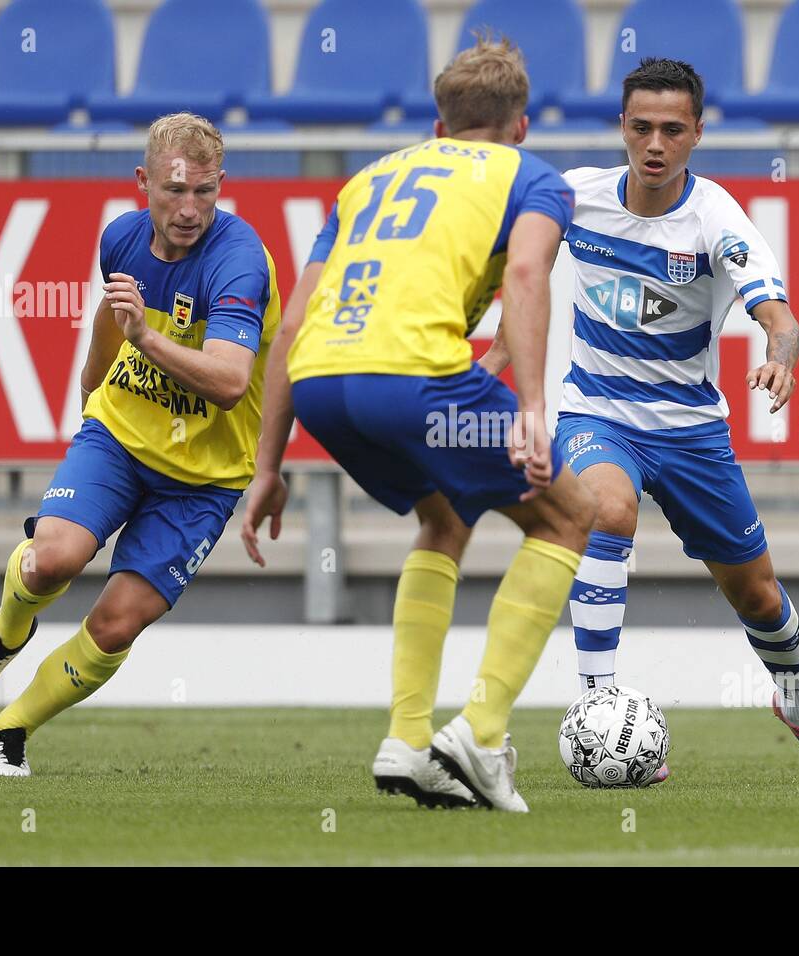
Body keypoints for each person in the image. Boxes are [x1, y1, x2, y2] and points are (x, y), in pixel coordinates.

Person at [481, 58, 799, 785]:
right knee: (604, 508)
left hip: (690, 431)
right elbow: (521, 274)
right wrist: (498, 351)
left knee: (756, 592)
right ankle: (600, 706)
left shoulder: (717, 219)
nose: (654, 144)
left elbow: (779, 318)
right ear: (622, 129)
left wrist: (780, 355)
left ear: (697, 134)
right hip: (597, 412)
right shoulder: (575, 199)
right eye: (640, 127)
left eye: (671, 130)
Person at [240, 37, 596, 812]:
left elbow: (293, 324)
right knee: (572, 517)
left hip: (326, 389)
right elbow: (530, 274)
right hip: (412, 381)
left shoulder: (367, 181)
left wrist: (267, 467)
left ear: (439, 128)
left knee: (443, 520)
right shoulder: (531, 178)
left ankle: (407, 741)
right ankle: (481, 732)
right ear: (522, 126)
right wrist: (534, 413)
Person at [0, 113, 279, 776]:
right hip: (121, 437)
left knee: (117, 624)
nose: (189, 210)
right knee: (51, 562)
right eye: (174, 192)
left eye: (205, 193)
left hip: (204, 477)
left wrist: (149, 340)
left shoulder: (240, 262)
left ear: (221, 186)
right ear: (142, 183)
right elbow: (112, 310)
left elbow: (231, 383)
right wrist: (89, 390)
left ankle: (6, 733)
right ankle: (5, 634)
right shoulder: (121, 239)